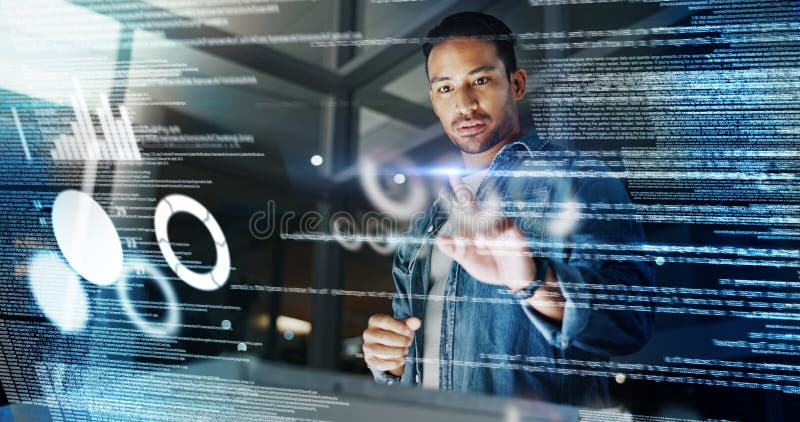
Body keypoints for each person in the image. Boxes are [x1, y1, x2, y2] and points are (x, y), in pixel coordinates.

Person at [361, 11, 655, 406]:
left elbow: (631, 321)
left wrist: (532, 281)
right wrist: (388, 362)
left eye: (480, 80)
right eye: (445, 88)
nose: (463, 104)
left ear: (516, 84)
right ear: (434, 101)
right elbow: (409, 365)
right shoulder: (425, 227)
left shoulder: (577, 180)